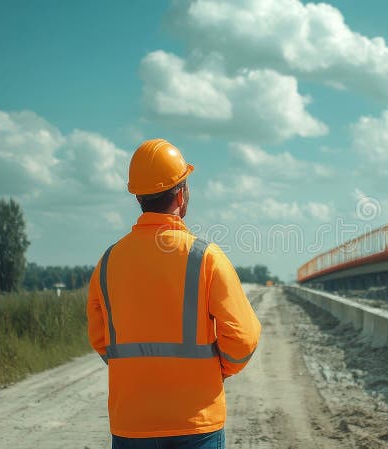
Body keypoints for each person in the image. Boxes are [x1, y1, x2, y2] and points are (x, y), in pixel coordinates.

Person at [87, 138, 262, 449]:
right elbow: (243, 337)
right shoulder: (205, 257)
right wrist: (215, 372)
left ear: (138, 196)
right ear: (181, 194)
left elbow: (101, 339)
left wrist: (139, 370)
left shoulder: (109, 261)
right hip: (196, 424)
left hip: (132, 424)